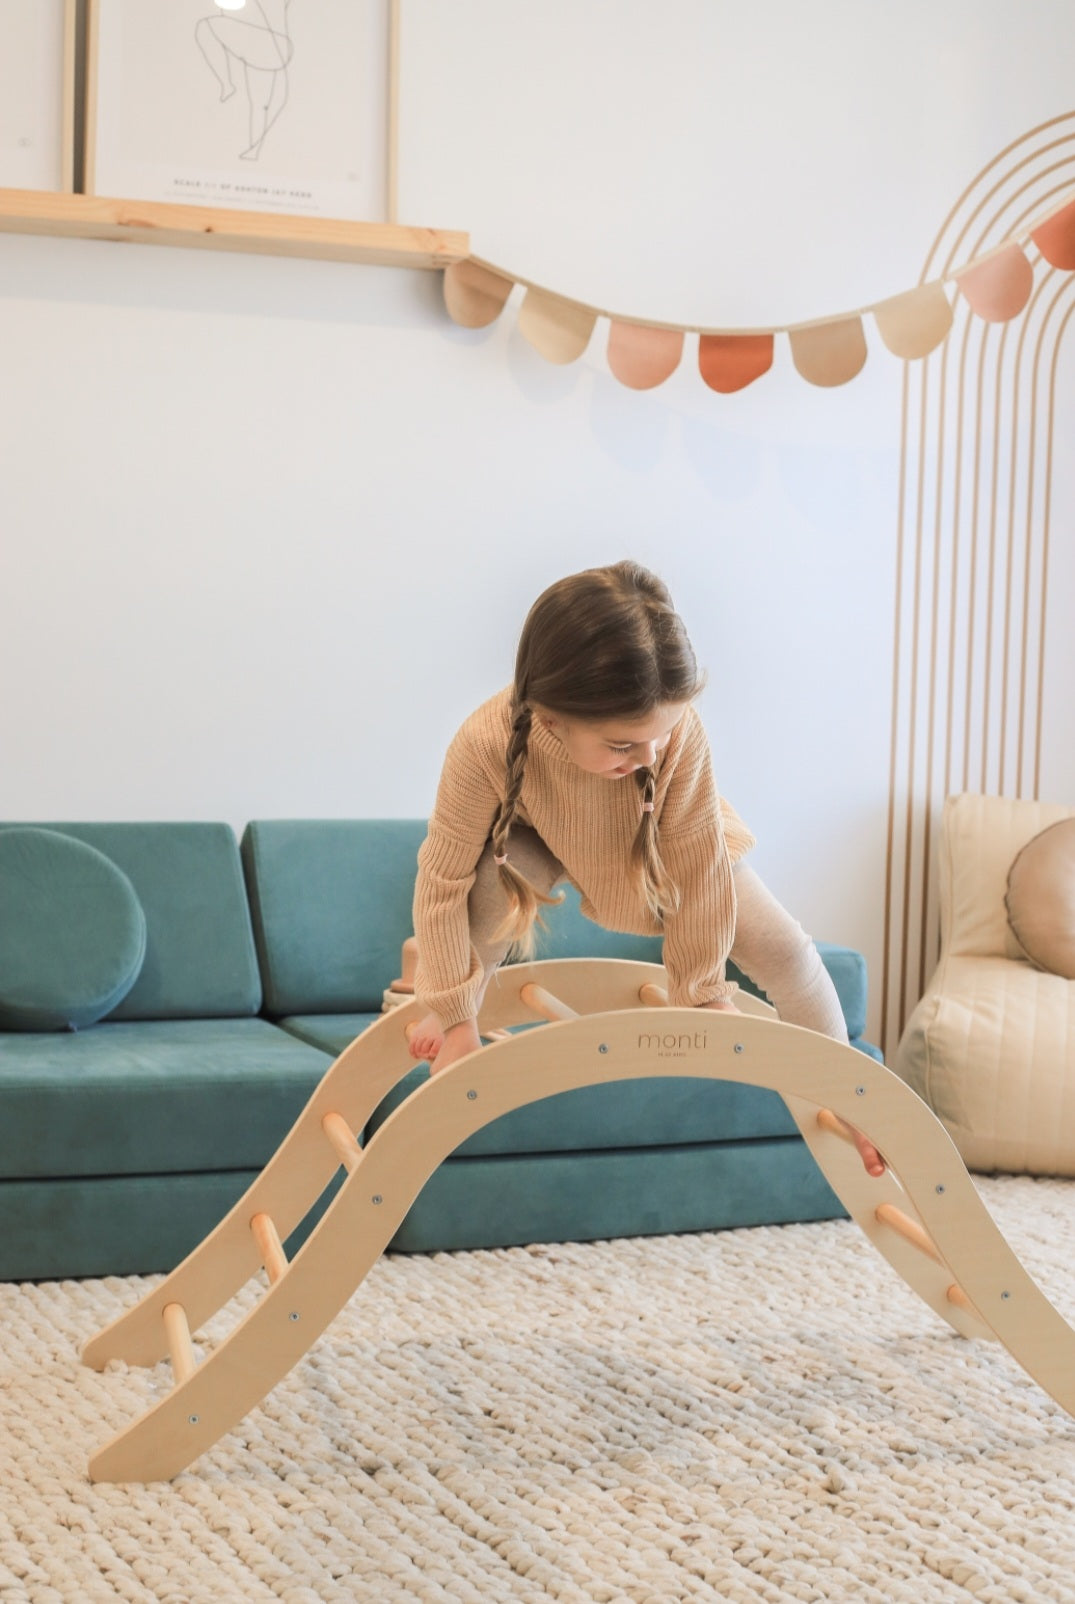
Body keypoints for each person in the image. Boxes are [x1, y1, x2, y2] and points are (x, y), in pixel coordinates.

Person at [410, 560, 884, 1177]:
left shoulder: (674, 741)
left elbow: (698, 863)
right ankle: (449, 1002)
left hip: (673, 839)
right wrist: (453, 1012)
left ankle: (853, 1094)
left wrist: (701, 992)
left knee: (787, 951)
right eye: (623, 745)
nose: (648, 755)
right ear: (550, 719)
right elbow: (442, 878)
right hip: (545, 835)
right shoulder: (484, 744)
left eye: (660, 734)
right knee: (494, 881)